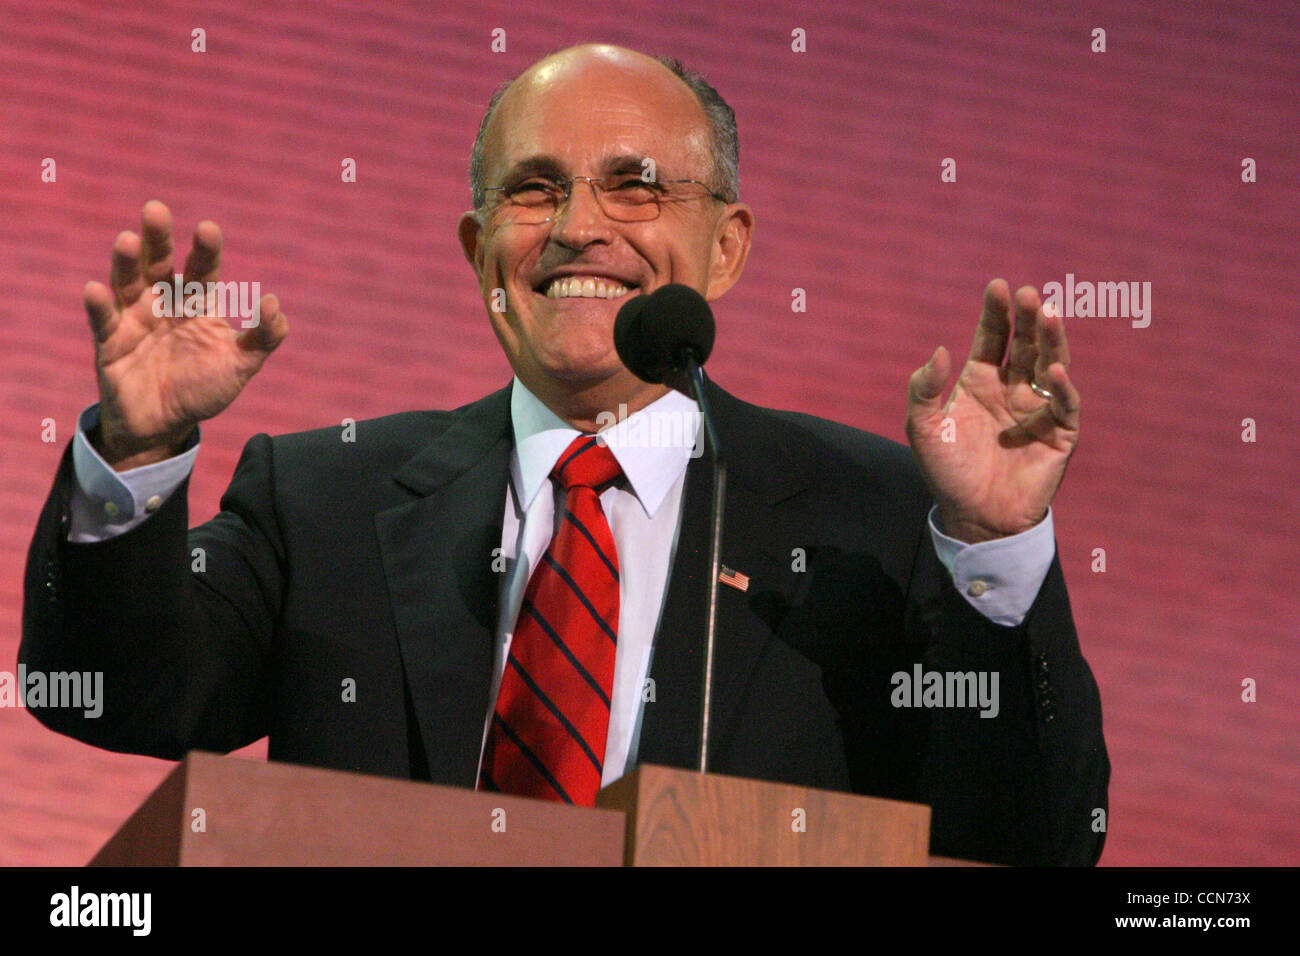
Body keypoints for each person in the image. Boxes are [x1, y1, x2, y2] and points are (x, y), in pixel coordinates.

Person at [21, 44, 1108, 865]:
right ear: (477, 250)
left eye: (636, 184)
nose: (579, 226)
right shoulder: (322, 500)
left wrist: (996, 548)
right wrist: (143, 446)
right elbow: (117, 696)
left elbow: (1037, 839)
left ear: (726, 248)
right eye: (533, 189)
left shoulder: (877, 517)